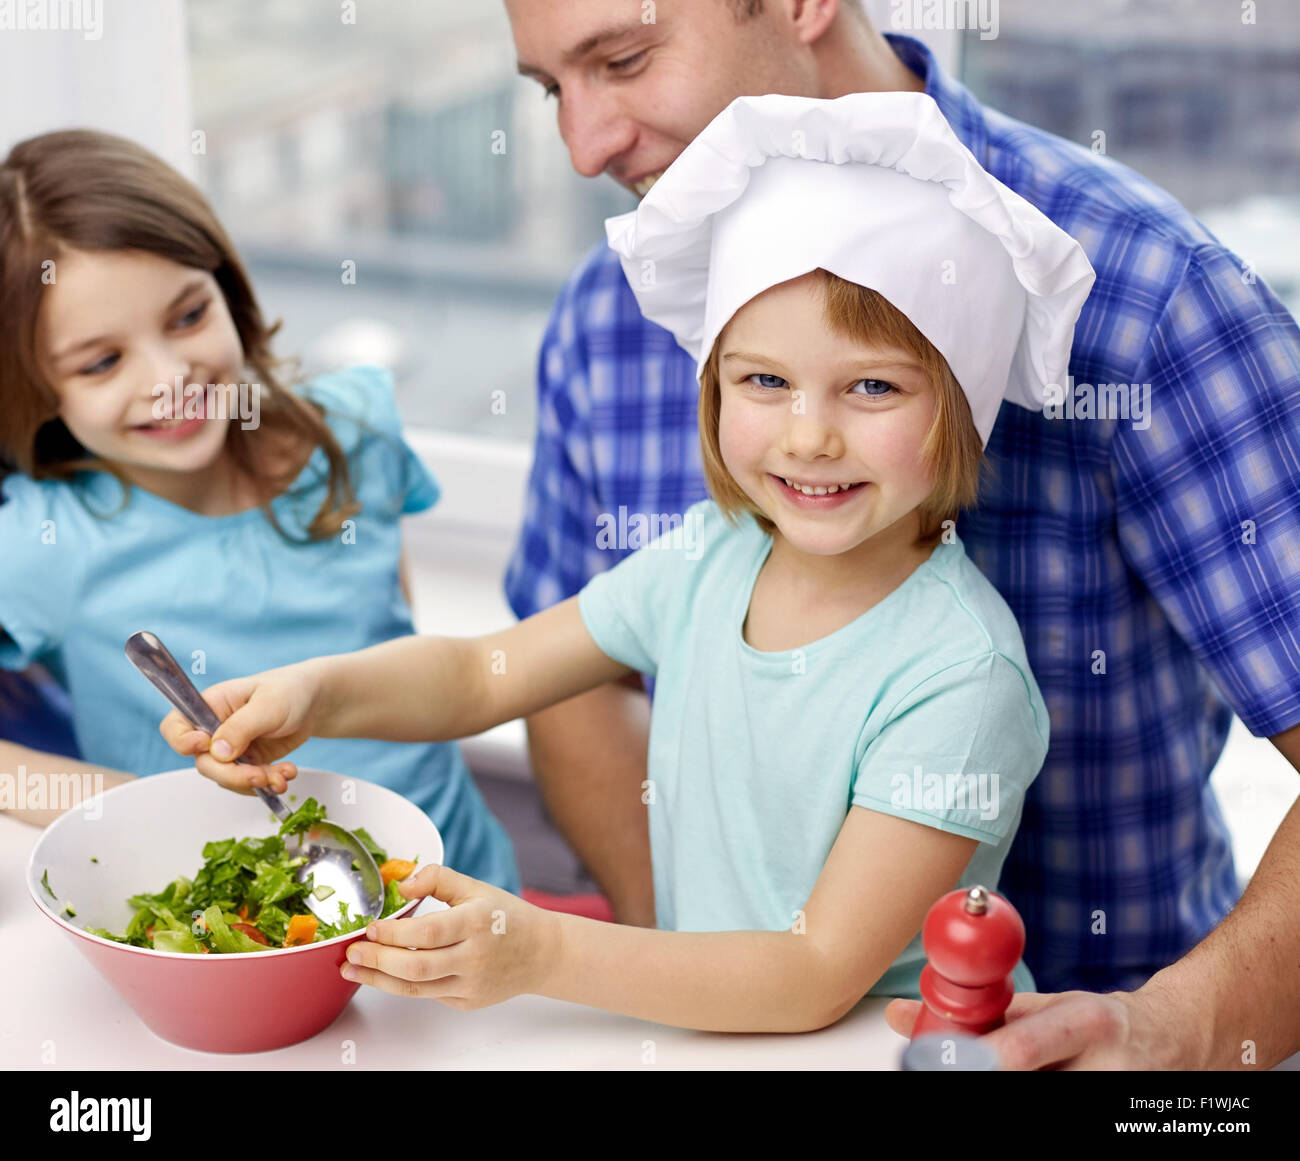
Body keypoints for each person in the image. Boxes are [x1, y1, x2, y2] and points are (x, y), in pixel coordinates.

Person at [159, 90, 1094, 1031]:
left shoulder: (960, 678)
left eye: (873, 387)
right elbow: (483, 674)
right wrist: (317, 694)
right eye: (765, 380)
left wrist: (544, 952)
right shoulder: (713, 556)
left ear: (962, 410)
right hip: (717, 1041)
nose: (810, 436)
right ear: (713, 386)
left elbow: (814, 973)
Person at [499, 0, 1300, 1068]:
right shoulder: (611, 313)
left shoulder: (1154, 296)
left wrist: (1176, 1029)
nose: (582, 144)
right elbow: (571, 679)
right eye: (552, 90)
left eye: (624, 60)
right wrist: (718, 990)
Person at [0, 129, 519, 894]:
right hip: (243, 937)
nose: (171, 376)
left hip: (468, 887)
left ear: (228, 291)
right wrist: (125, 808)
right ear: (39, 388)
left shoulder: (357, 429)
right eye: (103, 361)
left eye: (186, 316)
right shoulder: (46, 540)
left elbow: (394, 647)